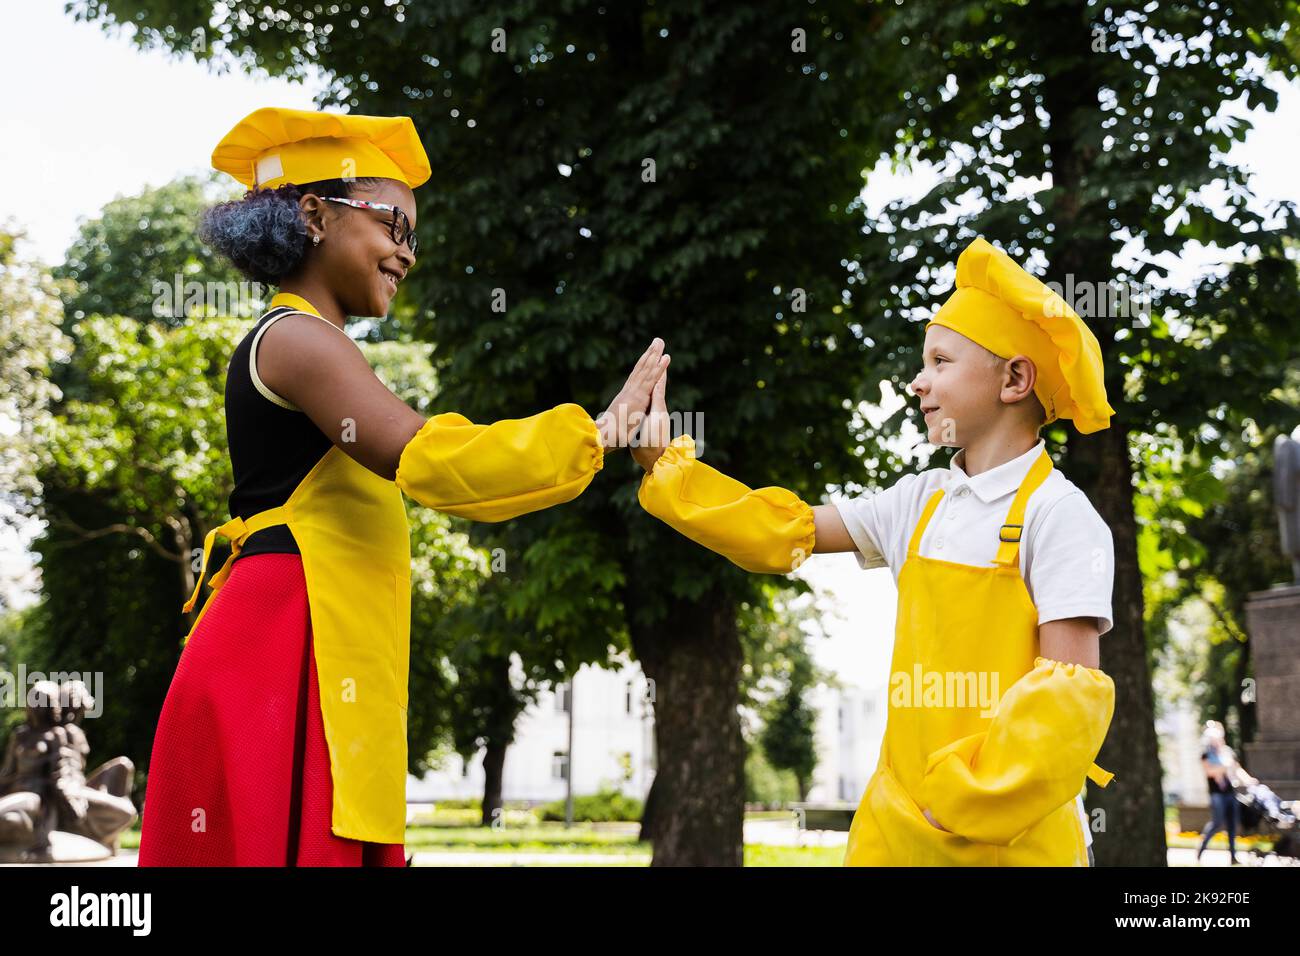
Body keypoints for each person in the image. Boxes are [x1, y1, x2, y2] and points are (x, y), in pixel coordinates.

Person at [138, 107, 668, 866]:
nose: (406, 254)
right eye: (394, 226)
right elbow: (423, 455)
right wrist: (595, 432)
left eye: (413, 237)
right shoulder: (295, 340)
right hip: (284, 647)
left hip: (314, 645)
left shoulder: (312, 343)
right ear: (315, 214)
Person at [631, 237, 1117, 866]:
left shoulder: (1060, 516)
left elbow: (1068, 700)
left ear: (1015, 378)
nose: (918, 382)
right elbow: (784, 531)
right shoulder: (918, 502)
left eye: (940, 361)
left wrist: (961, 806)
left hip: (1011, 846)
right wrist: (667, 468)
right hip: (897, 835)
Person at [1197, 720, 1251, 865]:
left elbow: (1237, 769)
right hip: (1217, 794)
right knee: (1217, 823)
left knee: (1233, 825)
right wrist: (1226, 766)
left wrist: (1249, 780)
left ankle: (1233, 856)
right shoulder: (1206, 754)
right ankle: (1201, 849)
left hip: (1230, 792)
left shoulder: (1227, 752)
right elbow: (1210, 771)